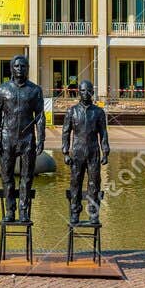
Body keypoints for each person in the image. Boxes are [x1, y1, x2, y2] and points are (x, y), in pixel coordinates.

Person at [0, 54, 46, 222]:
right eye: (17, 66)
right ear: (11, 68)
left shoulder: (35, 90)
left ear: (27, 68)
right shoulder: (2, 89)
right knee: (7, 177)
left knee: (27, 178)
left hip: (28, 139)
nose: (20, 69)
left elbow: (40, 116)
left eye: (23, 66)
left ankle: (23, 211)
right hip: (7, 137)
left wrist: (41, 139)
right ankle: (10, 210)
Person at [60, 79, 110, 224]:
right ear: (78, 92)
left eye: (88, 91)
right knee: (75, 183)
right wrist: (65, 152)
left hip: (93, 152)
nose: (86, 93)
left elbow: (103, 133)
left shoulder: (99, 112)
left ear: (92, 93)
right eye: (82, 91)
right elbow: (65, 132)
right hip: (77, 152)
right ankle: (75, 212)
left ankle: (93, 213)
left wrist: (105, 152)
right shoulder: (72, 111)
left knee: (94, 183)